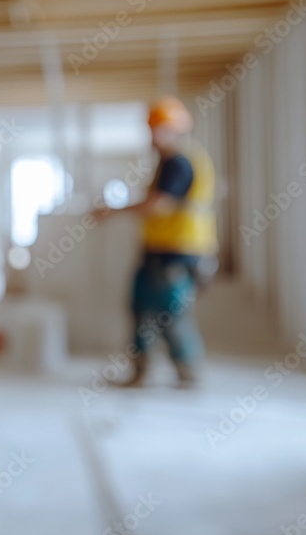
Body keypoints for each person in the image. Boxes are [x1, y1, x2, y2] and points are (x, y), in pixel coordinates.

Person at [93, 97, 218, 388]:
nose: (152, 137)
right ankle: (141, 370)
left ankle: (189, 371)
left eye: (157, 130)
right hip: (159, 250)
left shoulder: (180, 162)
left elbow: (159, 205)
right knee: (140, 307)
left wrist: (114, 211)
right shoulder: (168, 162)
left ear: (173, 130)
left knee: (171, 313)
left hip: (179, 252)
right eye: (151, 130)